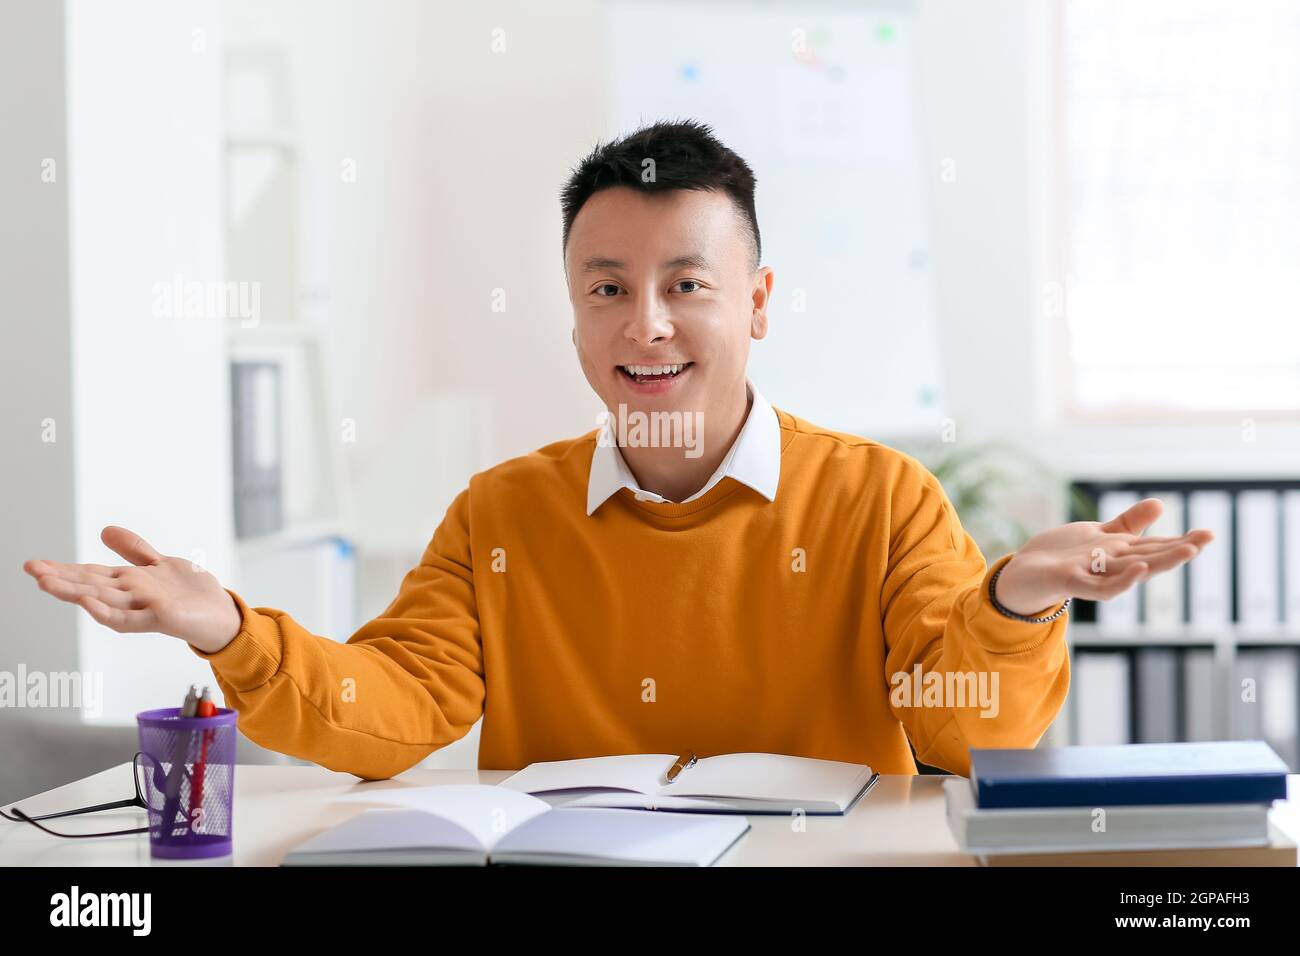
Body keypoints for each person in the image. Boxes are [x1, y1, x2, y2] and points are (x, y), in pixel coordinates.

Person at [23, 120, 1211, 780]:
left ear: (756, 301)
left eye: (685, 283)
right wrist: (232, 627)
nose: (643, 321)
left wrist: (1008, 597)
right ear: (574, 311)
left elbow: (967, 736)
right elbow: (388, 707)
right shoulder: (503, 510)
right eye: (606, 287)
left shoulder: (878, 496)